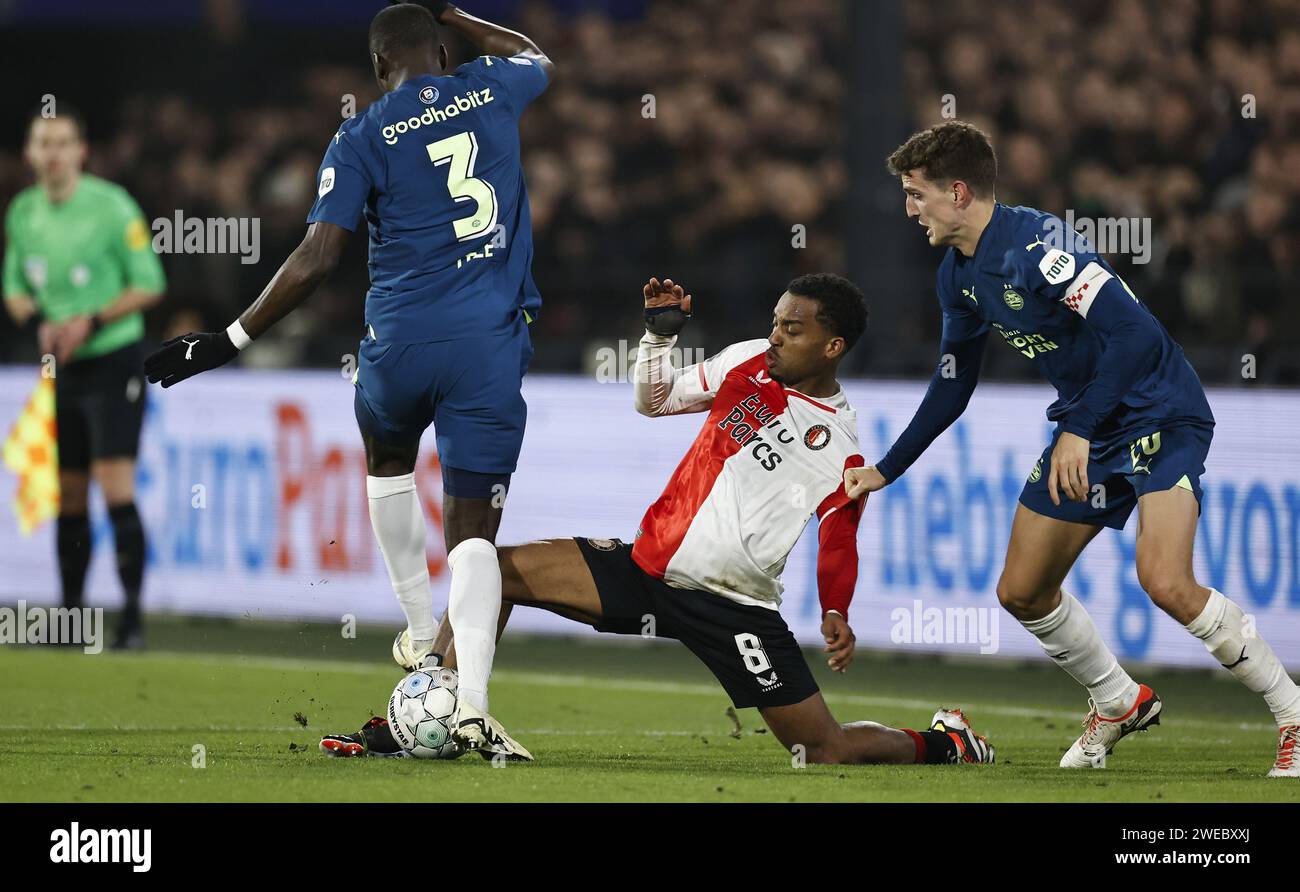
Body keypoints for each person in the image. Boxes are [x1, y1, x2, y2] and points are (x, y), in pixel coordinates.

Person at [320, 274, 996, 767]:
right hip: (645, 569)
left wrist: (837, 610)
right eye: (776, 320)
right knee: (490, 569)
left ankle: (947, 743)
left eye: (794, 328)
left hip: (733, 610)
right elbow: (657, 401)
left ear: (833, 346)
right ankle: (429, 714)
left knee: (823, 750)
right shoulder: (745, 364)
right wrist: (656, 339)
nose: (776, 335)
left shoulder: (839, 445)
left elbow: (839, 535)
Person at [144, 0, 554, 758]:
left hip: (397, 343)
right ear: (438, 52)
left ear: (375, 65)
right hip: (487, 347)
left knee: (388, 463)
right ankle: (471, 707)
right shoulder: (489, 84)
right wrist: (457, 14)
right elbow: (538, 55)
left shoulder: (360, 136)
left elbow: (318, 258)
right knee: (473, 533)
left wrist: (227, 339)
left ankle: (413, 624)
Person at [843, 120, 1299, 778]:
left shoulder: (1041, 247)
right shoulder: (958, 276)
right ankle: (1116, 700)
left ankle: (1293, 713)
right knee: (1022, 591)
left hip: (1157, 413)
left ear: (959, 191)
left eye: (917, 195)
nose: (910, 210)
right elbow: (952, 385)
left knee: (1165, 581)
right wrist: (887, 468)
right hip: (1093, 427)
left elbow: (1136, 336)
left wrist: (1078, 428)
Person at [3, 108, 167, 649]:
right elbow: (15, 287)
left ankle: (133, 621)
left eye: (63, 142)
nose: (52, 152)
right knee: (69, 494)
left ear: (81, 151)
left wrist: (90, 321)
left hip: (113, 361)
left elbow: (149, 283)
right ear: (30, 153)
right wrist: (38, 322)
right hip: (63, 369)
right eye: (42, 142)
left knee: (114, 483)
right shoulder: (23, 212)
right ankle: (71, 620)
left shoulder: (112, 206)